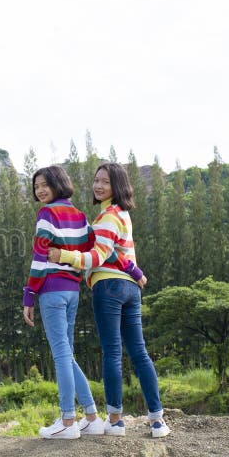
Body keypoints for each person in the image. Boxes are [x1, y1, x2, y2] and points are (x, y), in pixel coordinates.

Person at [48, 162, 170, 438]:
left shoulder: (106, 218)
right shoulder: (121, 214)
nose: (98, 185)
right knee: (139, 352)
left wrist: (63, 256)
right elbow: (115, 253)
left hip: (108, 287)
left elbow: (98, 257)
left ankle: (115, 421)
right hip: (130, 289)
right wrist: (135, 272)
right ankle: (157, 421)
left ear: (118, 186)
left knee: (113, 353)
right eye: (96, 180)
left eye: (105, 181)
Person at [23, 165, 143, 439]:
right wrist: (134, 270)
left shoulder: (46, 214)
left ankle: (67, 422)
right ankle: (91, 417)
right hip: (73, 292)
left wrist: (29, 294)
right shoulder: (80, 216)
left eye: (44, 185)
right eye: (36, 186)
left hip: (52, 290)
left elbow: (40, 258)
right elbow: (105, 251)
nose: (40, 190)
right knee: (67, 354)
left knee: (60, 354)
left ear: (58, 184)